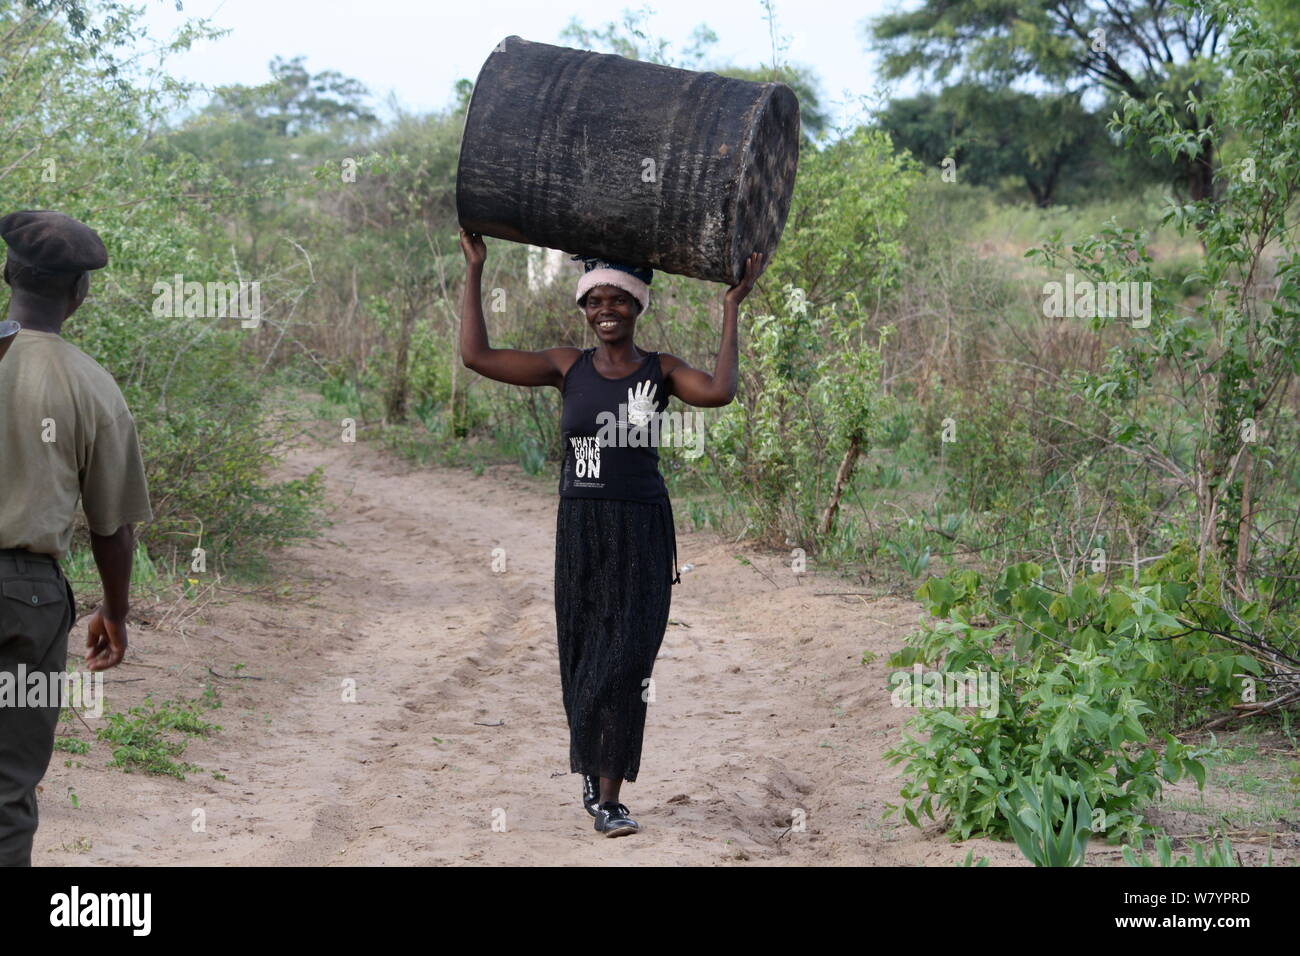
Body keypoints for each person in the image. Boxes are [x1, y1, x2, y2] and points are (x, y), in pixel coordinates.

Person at [459, 228, 762, 836]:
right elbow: (477, 357)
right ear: (583, 307)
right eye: (595, 301)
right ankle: (595, 775)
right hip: (582, 528)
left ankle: (610, 796)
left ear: (637, 306)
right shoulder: (564, 367)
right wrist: (475, 271)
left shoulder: (661, 371)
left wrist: (731, 309)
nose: (606, 310)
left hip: (643, 529)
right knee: (583, 654)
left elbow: (721, 391)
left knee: (628, 660)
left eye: (618, 300)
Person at [0, 210, 153, 866]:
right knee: (8, 785)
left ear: (7, 274)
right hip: (26, 605)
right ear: (78, 295)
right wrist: (113, 613)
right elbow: (111, 528)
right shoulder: (93, 387)